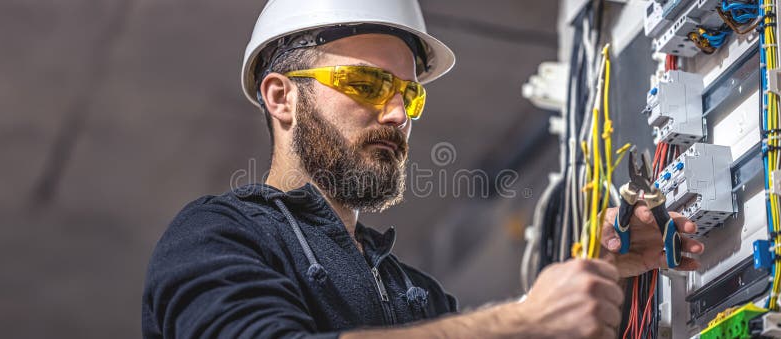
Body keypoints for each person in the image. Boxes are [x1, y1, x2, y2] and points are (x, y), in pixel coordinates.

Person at [142, 1, 705, 338]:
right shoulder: (216, 236)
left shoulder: (417, 297)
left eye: (408, 96)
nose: (395, 113)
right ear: (281, 98)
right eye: (366, 84)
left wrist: (608, 274)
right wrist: (521, 321)